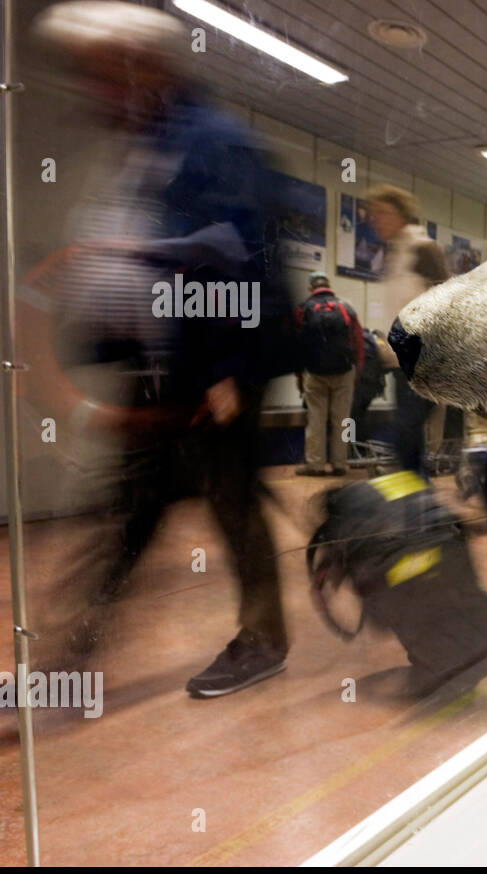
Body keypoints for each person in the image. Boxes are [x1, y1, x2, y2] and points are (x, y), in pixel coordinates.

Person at [32, 1, 291, 697]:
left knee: (232, 506)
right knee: (128, 515)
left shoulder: (214, 141)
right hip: (161, 370)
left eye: (102, 75)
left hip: (212, 373)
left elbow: (249, 259)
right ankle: (64, 667)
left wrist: (233, 369)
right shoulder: (148, 144)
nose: (94, 93)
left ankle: (264, 640)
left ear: (142, 65)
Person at [366, 184, 448, 475]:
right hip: (401, 363)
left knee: (406, 431)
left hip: (425, 359)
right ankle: (417, 503)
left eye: (383, 213)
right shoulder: (393, 255)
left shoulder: (422, 248)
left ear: (402, 214)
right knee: (407, 436)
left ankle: (417, 503)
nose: (376, 220)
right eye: (373, 214)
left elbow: (445, 300)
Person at [295, 271, 364, 476]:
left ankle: (315, 465)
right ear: (329, 286)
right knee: (342, 420)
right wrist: (357, 370)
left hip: (314, 373)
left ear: (311, 288)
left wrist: (299, 376)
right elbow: (358, 342)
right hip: (344, 372)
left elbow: (297, 346)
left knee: (315, 418)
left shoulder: (303, 309)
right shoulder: (346, 308)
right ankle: (340, 464)